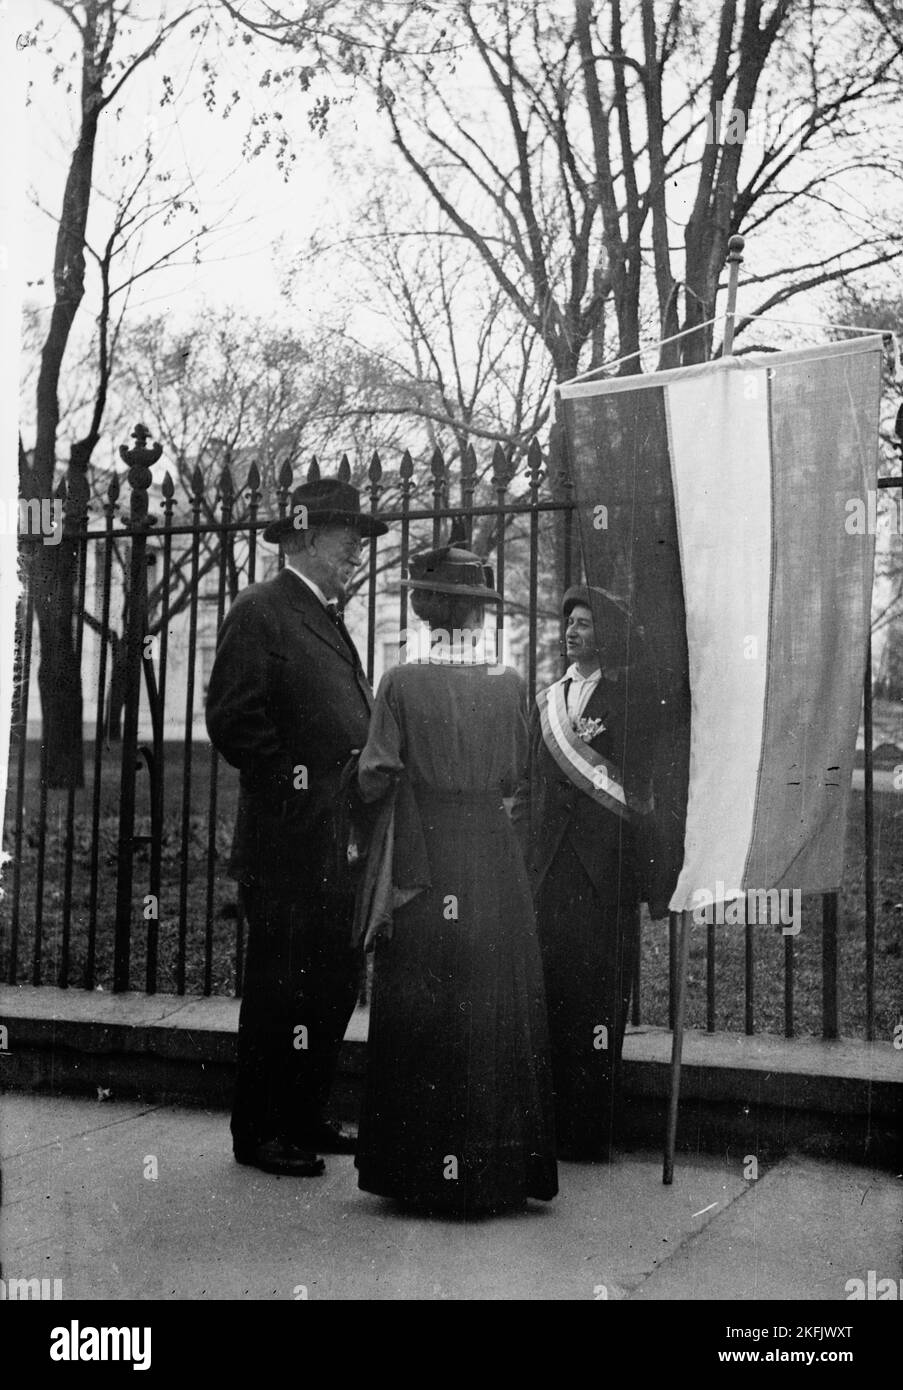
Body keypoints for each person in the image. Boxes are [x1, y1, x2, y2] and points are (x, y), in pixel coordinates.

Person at [352, 545, 558, 1216]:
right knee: (493, 1000)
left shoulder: (400, 683)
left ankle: (416, 1169)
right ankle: (492, 1171)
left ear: (423, 608)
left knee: (423, 999)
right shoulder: (508, 682)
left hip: (424, 850)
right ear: (479, 612)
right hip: (491, 858)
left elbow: (375, 774)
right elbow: (520, 774)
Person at [205, 477, 387, 1177]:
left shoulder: (321, 615)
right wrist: (300, 790)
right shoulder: (261, 611)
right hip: (289, 842)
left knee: (332, 982)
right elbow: (234, 716)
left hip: (336, 842)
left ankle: (304, 1115)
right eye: (347, 547)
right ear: (308, 539)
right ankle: (262, 1132)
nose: (354, 561)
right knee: (282, 987)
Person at [513, 585, 657, 1160]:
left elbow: (645, 788)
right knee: (549, 996)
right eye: (569, 622)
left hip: (602, 877)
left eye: (586, 624)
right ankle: (546, 1124)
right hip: (548, 874)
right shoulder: (548, 699)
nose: (573, 631)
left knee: (596, 1002)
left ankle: (589, 1131)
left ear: (607, 636)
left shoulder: (629, 700)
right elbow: (526, 786)